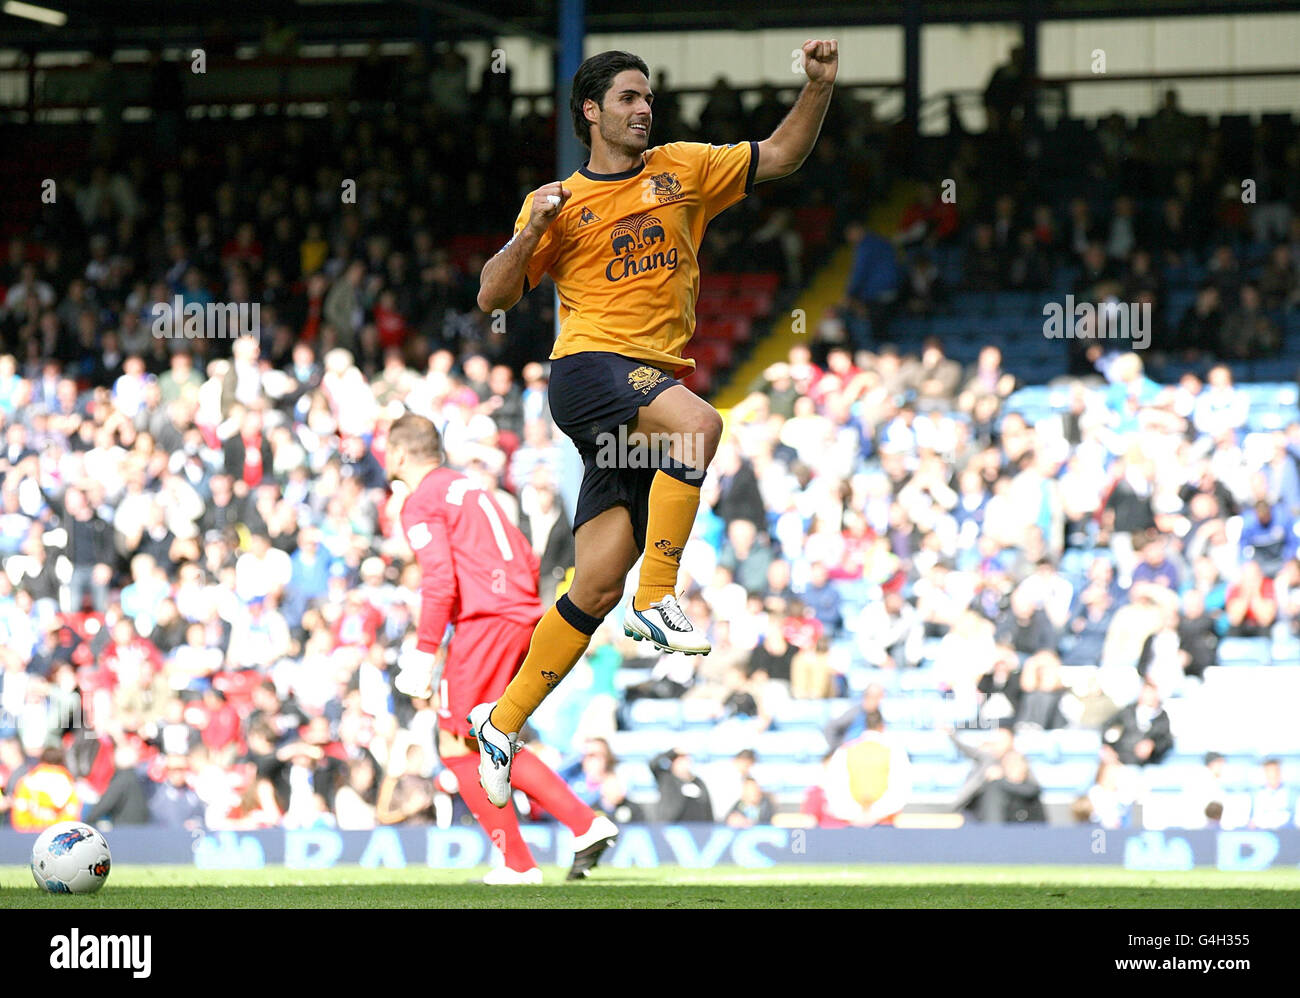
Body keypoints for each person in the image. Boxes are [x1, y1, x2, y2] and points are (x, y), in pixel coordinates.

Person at [472, 42, 840, 804]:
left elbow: (781, 155)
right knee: (700, 427)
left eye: (648, 98)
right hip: (588, 371)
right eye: (629, 98)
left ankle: (501, 724)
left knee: (594, 585)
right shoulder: (558, 200)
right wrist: (530, 231)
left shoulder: (686, 167)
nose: (644, 109)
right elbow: (493, 298)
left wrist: (817, 88)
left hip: (642, 392)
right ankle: (659, 599)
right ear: (592, 111)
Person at [385, 413, 618, 883]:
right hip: (514, 613)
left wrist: (424, 651)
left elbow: (439, 579)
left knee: (459, 742)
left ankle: (538, 850)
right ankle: (572, 830)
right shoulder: (465, 486)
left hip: (486, 621)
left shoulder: (422, 500)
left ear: (398, 454)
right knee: (484, 732)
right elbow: (524, 553)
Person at [822, 711, 911, 826]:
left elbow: (834, 787)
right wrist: (875, 814)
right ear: (882, 726)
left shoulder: (845, 750)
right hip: (884, 824)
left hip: (853, 824)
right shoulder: (895, 752)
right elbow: (901, 789)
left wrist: (855, 814)